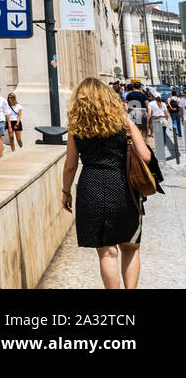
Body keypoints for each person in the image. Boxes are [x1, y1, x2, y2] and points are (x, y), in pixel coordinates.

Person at [61, 77, 152, 289]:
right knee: (130, 247)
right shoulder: (124, 123)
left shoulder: (76, 128)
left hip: (90, 188)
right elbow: (146, 157)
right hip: (123, 188)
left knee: (107, 252)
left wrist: (66, 192)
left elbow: (70, 166)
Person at [148, 92, 179, 164]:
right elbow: (166, 114)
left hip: (155, 120)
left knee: (157, 136)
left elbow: (149, 114)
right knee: (164, 134)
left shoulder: (151, 103)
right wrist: (166, 120)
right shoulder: (163, 104)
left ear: (154, 96)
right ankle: (163, 147)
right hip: (163, 119)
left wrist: (147, 122)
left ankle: (160, 154)